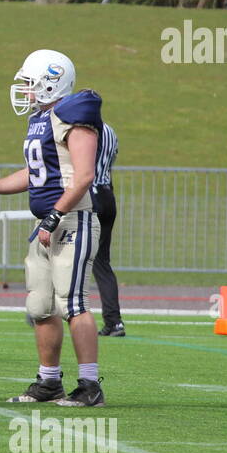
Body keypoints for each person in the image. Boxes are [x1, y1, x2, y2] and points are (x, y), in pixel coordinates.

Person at [0, 49, 105, 407]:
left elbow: (83, 175)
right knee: (41, 305)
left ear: (51, 82)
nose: (26, 90)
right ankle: (48, 383)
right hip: (47, 224)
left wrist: (55, 215)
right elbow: (36, 173)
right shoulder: (41, 119)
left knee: (73, 303)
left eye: (31, 83)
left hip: (73, 220)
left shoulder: (75, 117)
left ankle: (90, 385)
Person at [93, 120, 124, 337]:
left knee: (64, 251)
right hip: (107, 193)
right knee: (102, 262)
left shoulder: (83, 129)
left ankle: (47, 309)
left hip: (89, 194)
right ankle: (114, 322)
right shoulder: (110, 131)